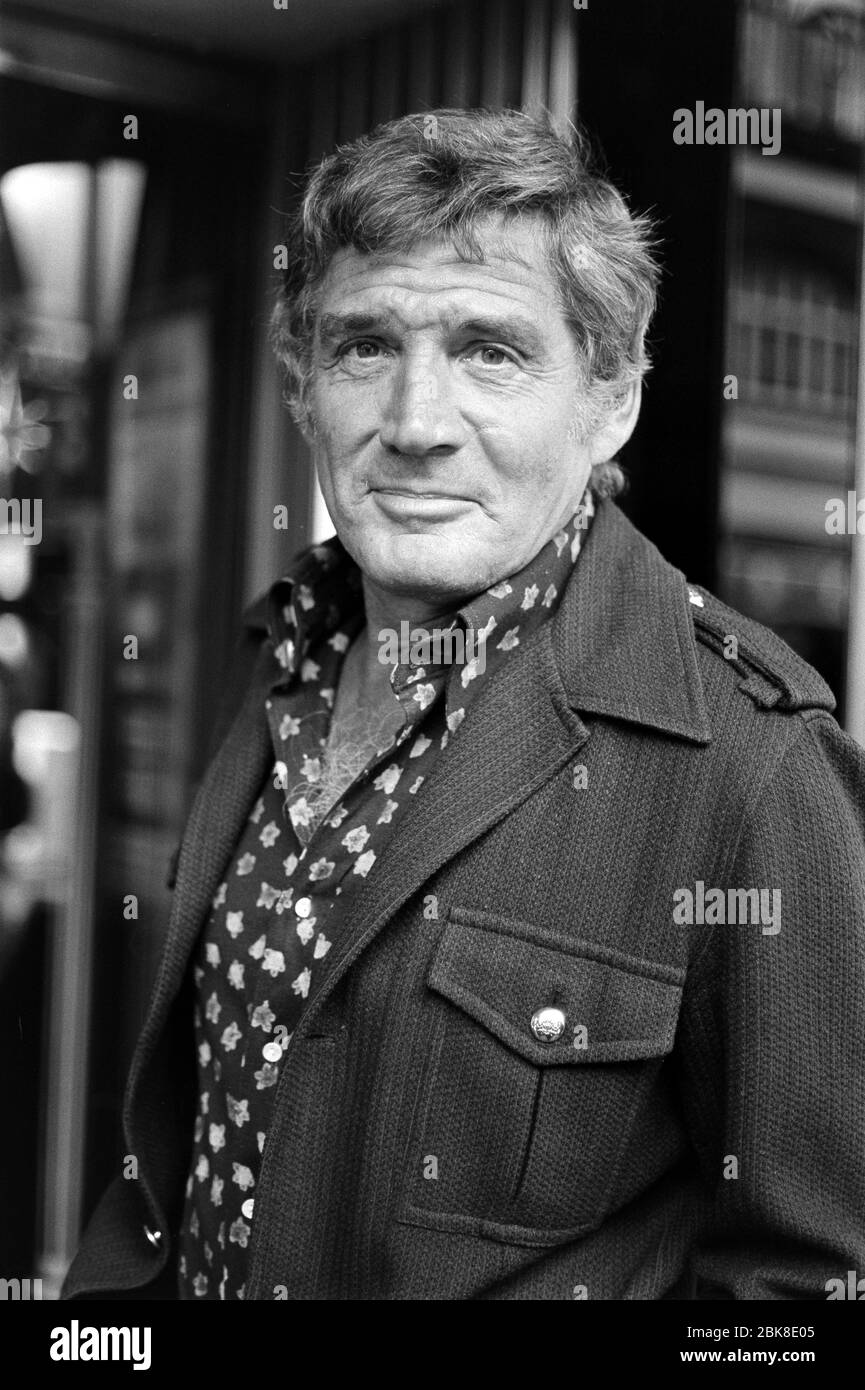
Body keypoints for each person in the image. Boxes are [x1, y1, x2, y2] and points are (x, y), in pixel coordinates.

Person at [64, 107, 865, 1301]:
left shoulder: (752, 761)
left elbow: (813, 1281)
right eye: (363, 348)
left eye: (490, 350)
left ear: (611, 399)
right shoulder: (277, 661)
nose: (414, 424)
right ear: (303, 388)